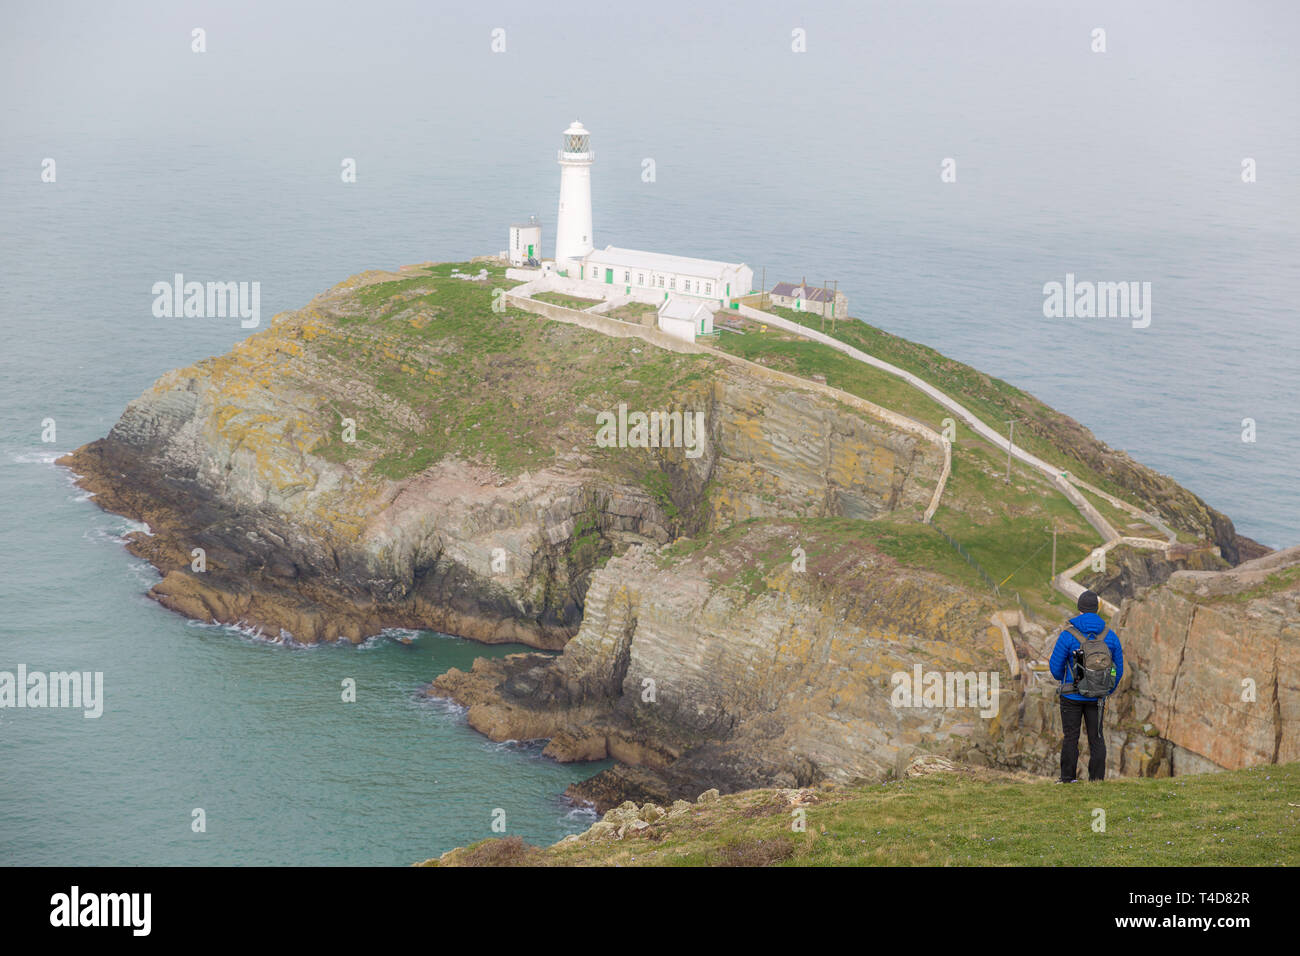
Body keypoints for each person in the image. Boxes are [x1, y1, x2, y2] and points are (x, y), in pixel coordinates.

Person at [1049, 590, 1123, 782]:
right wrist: (1106, 690)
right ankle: (1097, 780)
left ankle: (1067, 779)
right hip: (1097, 697)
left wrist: (1065, 680)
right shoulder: (1110, 636)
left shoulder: (1068, 635)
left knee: (1071, 738)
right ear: (1097, 609)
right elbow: (1117, 670)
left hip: (1071, 697)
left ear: (1079, 608)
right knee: (1097, 738)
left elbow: (1055, 668)